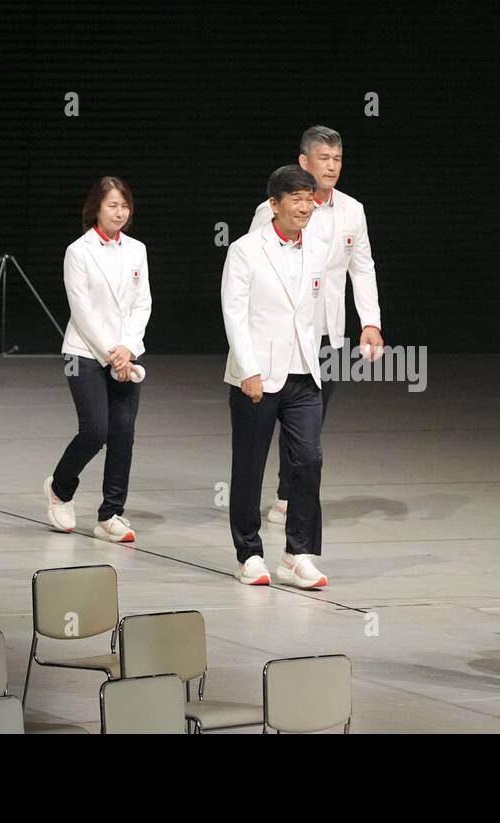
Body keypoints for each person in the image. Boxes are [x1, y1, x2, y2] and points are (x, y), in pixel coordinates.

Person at [247, 125, 383, 525]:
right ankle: (249, 498)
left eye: (338, 159)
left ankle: (288, 495)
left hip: (328, 332)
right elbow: (253, 271)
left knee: (310, 421)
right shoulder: (270, 210)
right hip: (279, 333)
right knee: (266, 418)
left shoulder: (353, 210)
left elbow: (363, 268)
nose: (332, 166)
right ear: (304, 162)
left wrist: (370, 323)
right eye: (324, 158)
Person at [222, 165, 328, 588]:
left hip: (303, 373)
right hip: (258, 375)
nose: (305, 206)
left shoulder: (317, 248)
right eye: (297, 199)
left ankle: (298, 553)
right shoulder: (246, 250)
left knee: (309, 460)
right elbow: (234, 312)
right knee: (249, 466)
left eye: (310, 199)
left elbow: (317, 306)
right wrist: (248, 368)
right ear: (274, 204)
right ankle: (248, 552)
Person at [44, 176, 152, 543]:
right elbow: (83, 310)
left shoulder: (137, 249)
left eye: (124, 206)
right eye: (112, 205)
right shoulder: (79, 251)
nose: (119, 212)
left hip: (125, 352)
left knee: (123, 434)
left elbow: (142, 303)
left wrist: (128, 349)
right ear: (96, 208)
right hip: (85, 352)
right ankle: (60, 488)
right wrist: (111, 353)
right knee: (96, 431)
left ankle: (111, 513)